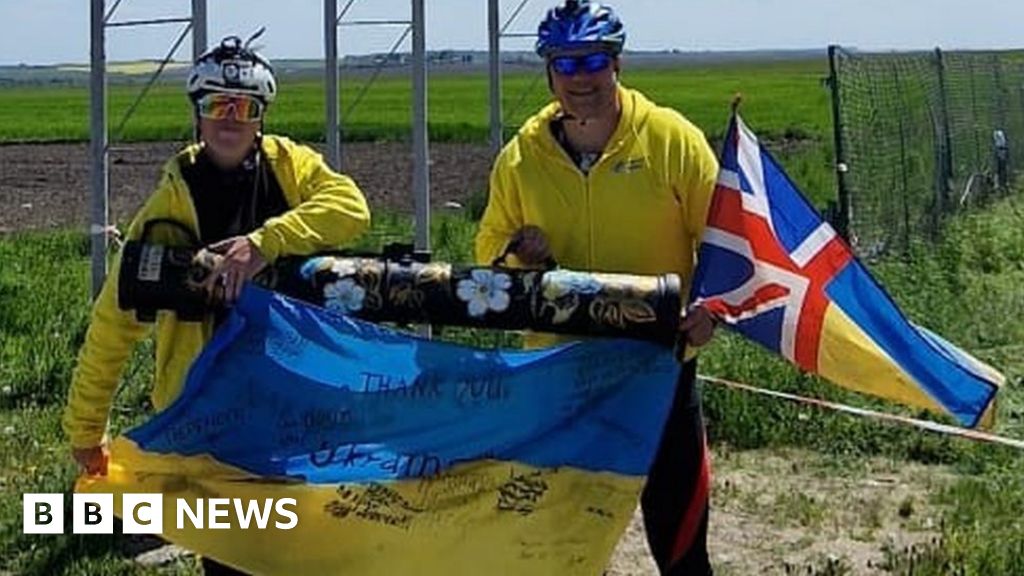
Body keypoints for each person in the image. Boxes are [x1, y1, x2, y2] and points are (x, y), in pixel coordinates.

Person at [62, 34, 371, 576]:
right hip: (208, 416)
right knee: (230, 556)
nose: (230, 120)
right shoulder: (167, 207)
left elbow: (351, 208)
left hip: (292, 401)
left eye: (245, 107)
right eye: (216, 106)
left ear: (261, 118)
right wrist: (87, 430)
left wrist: (265, 242)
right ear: (197, 116)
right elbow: (114, 322)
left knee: (306, 548)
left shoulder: (289, 166)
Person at [474, 1, 718, 574]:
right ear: (548, 72)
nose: (580, 78)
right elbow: (487, 255)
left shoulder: (670, 139)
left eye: (592, 60)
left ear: (617, 64)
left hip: (658, 367)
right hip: (560, 373)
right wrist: (517, 256)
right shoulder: (520, 159)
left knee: (681, 544)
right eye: (565, 62)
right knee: (559, 545)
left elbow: (725, 242)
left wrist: (711, 308)